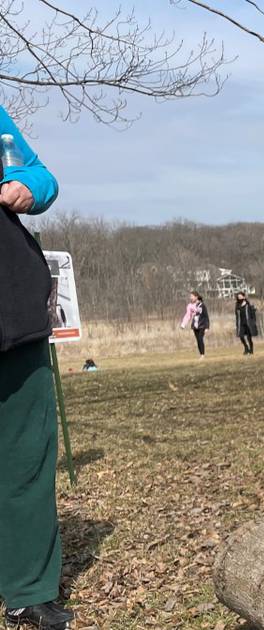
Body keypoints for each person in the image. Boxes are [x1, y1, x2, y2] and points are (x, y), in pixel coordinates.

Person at [0, 106, 73, 629]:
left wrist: (28, 187)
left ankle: (28, 591)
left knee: (25, 457)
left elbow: (39, 176)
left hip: (13, 314)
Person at [179, 291, 210, 358]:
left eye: (192, 296)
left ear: (196, 297)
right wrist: (183, 324)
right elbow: (188, 316)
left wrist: (207, 327)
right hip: (195, 326)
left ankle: (202, 355)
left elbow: (206, 316)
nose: (191, 298)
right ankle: (201, 354)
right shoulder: (189, 306)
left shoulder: (202, 305)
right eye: (190, 296)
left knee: (200, 339)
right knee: (198, 340)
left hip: (202, 325)